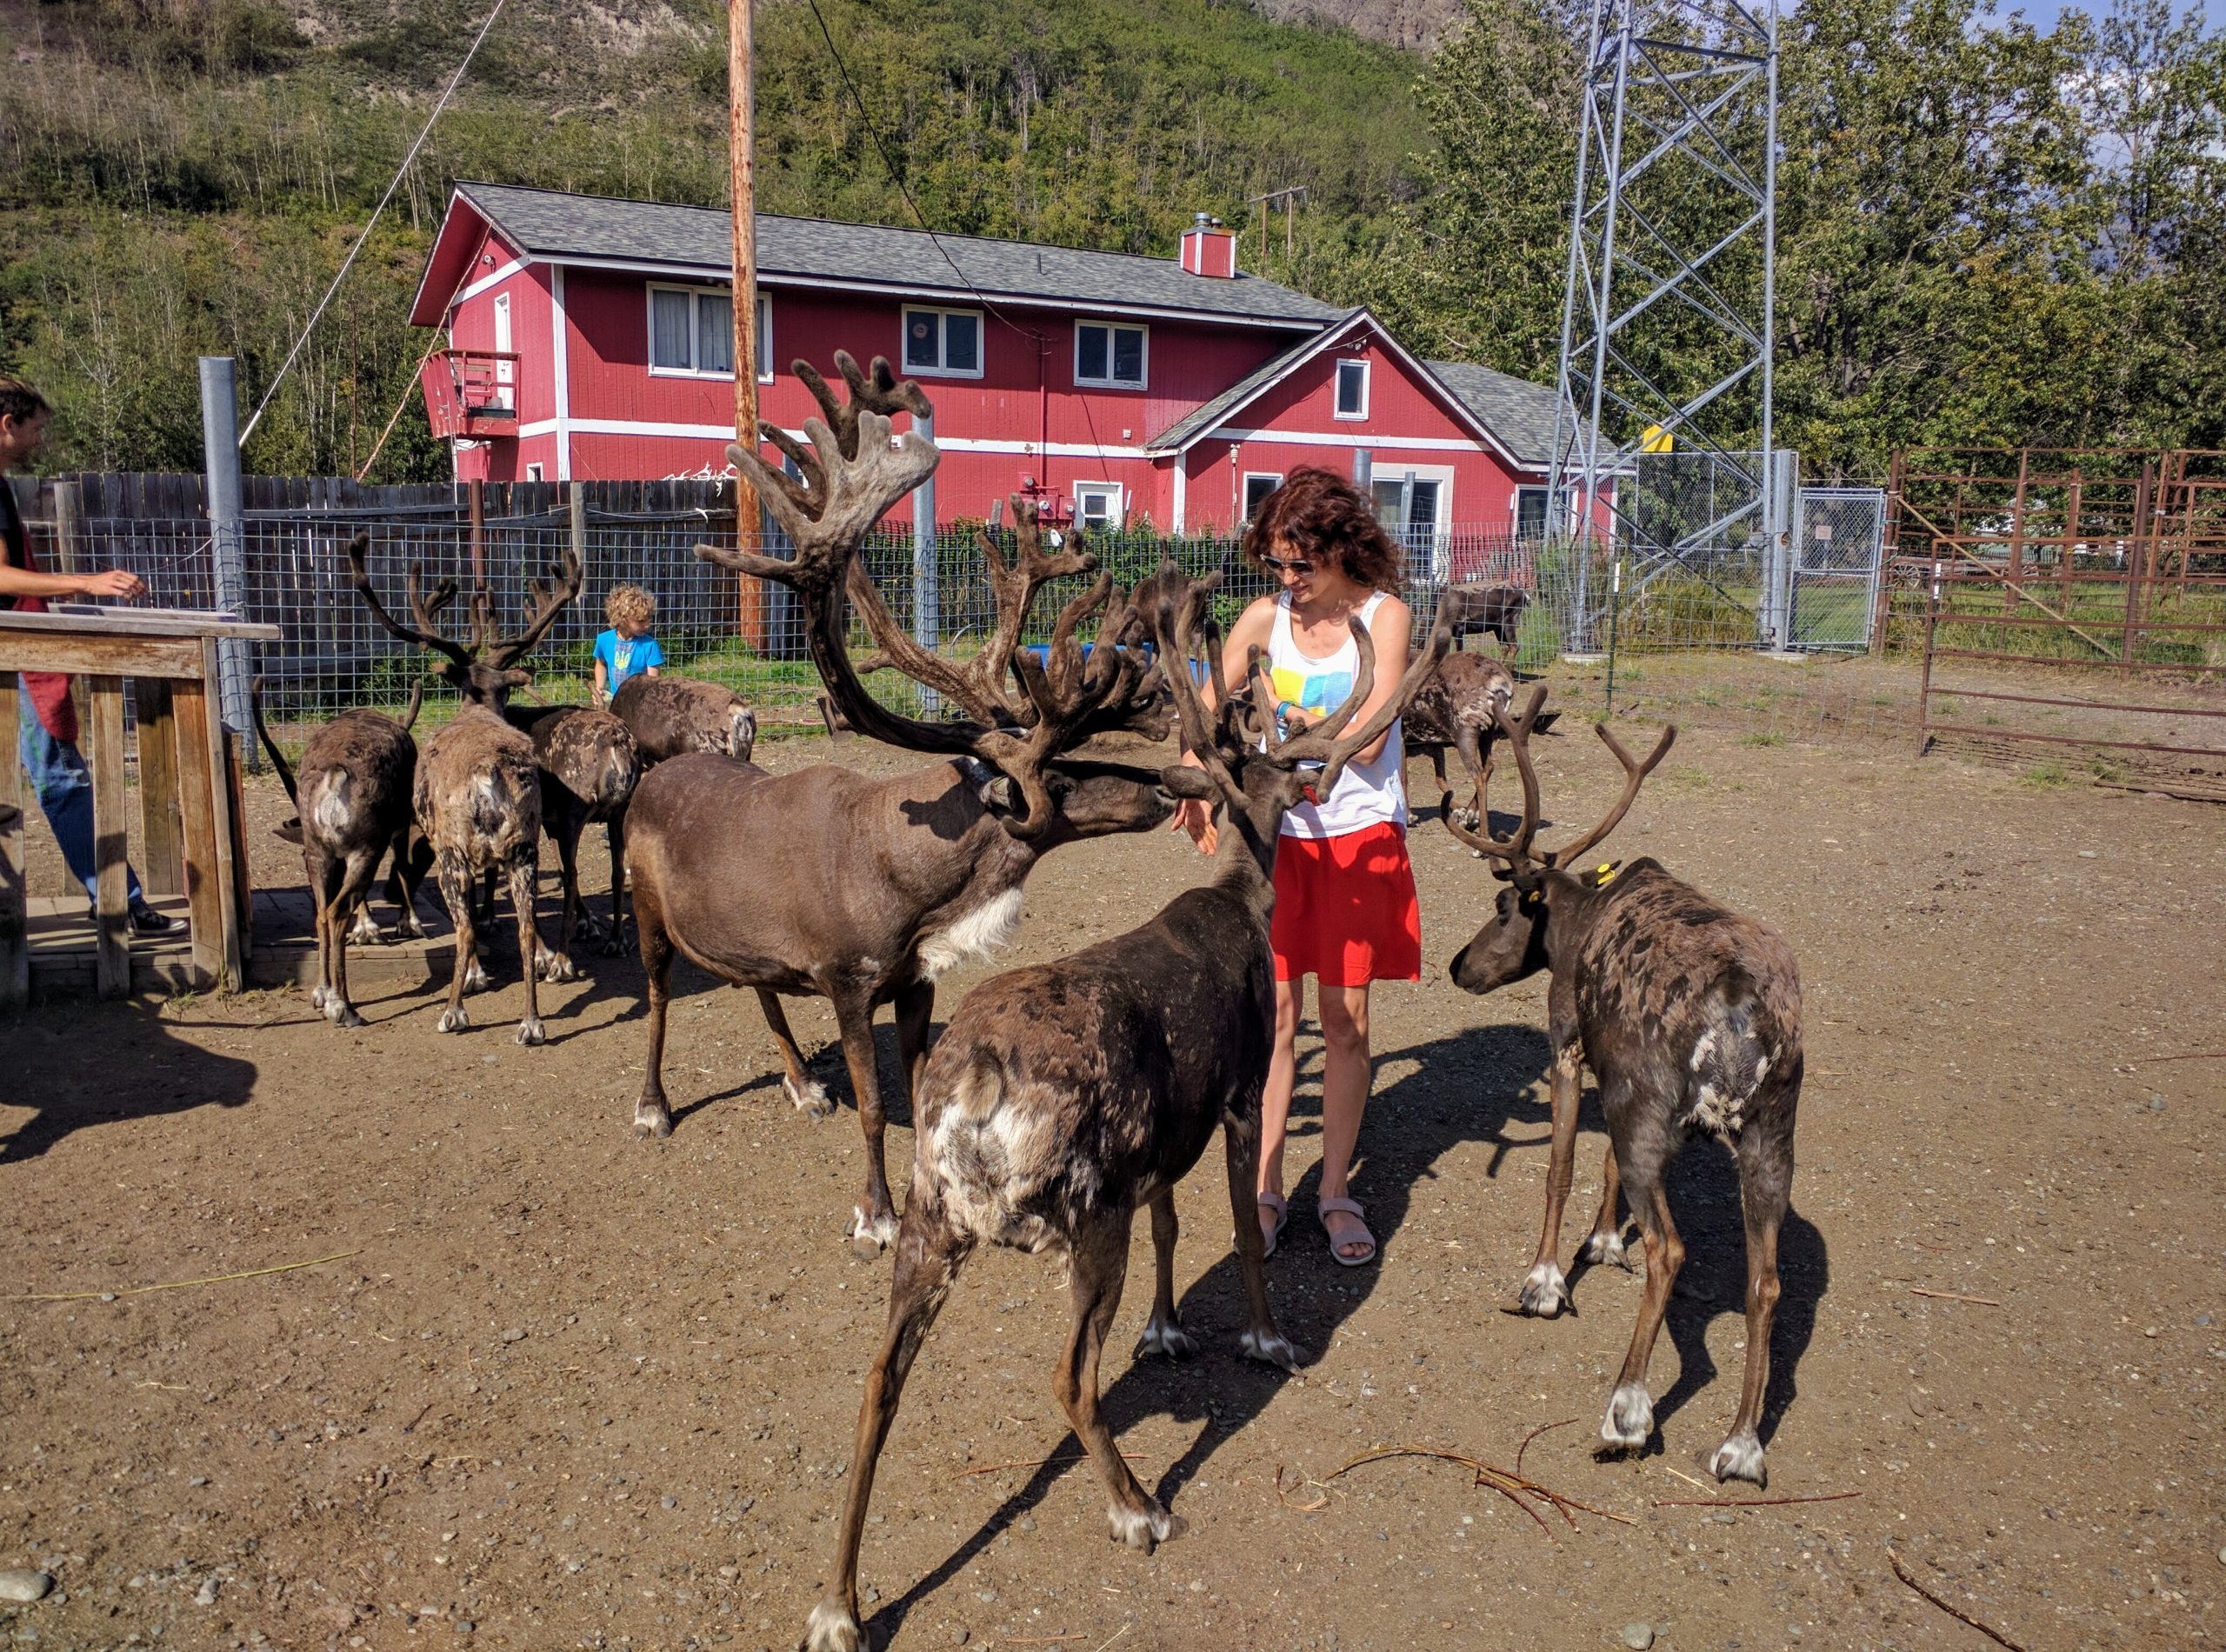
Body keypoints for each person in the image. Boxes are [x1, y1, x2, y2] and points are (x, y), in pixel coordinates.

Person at [1171, 466, 1418, 1266]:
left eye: (1299, 564)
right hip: (1275, 842)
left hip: (1355, 842)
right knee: (1274, 1020)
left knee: (1345, 1024)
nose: (1286, 580)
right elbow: (1207, 713)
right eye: (1275, 564)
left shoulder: (1385, 619)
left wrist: (1308, 723)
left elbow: (1372, 736)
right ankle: (1267, 1186)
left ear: (1342, 550)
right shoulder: (1260, 622)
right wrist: (1197, 777)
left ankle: (1336, 1189)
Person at [0, 375, 175, 934]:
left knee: (59, 777)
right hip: (11, 654)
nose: (37, 442)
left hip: (16, 646)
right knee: (59, 777)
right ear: (8, 425)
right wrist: (86, 583)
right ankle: (119, 899)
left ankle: (117, 897)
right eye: (34, 430)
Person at [591, 583, 663, 709]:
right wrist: (599, 688)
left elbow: (653, 682)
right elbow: (601, 663)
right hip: (615, 701)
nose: (647, 625)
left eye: (648, 619)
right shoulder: (604, 640)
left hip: (639, 704)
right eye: (641, 621)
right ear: (622, 619)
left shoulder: (650, 645)